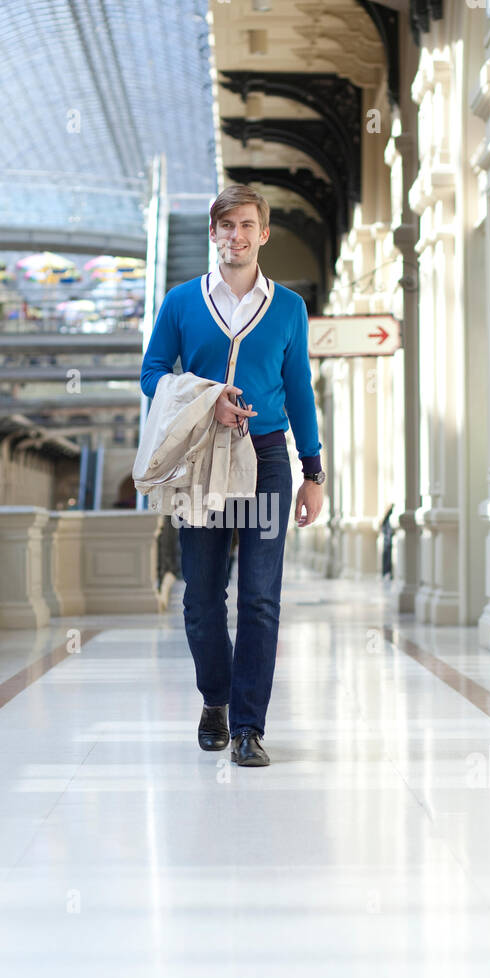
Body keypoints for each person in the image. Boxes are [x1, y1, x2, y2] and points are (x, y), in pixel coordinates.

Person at [140, 184, 325, 767]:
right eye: (226, 226)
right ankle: (215, 700)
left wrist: (313, 471)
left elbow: (299, 390)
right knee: (201, 596)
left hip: (267, 460)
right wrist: (206, 398)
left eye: (246, 225)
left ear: (263, 233)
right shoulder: (181, 302)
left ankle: (248, 726)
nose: (236, 236)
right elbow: (151, 374)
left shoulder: (289, 308)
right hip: (202, 462)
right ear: (213, 233)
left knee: (261, 597)